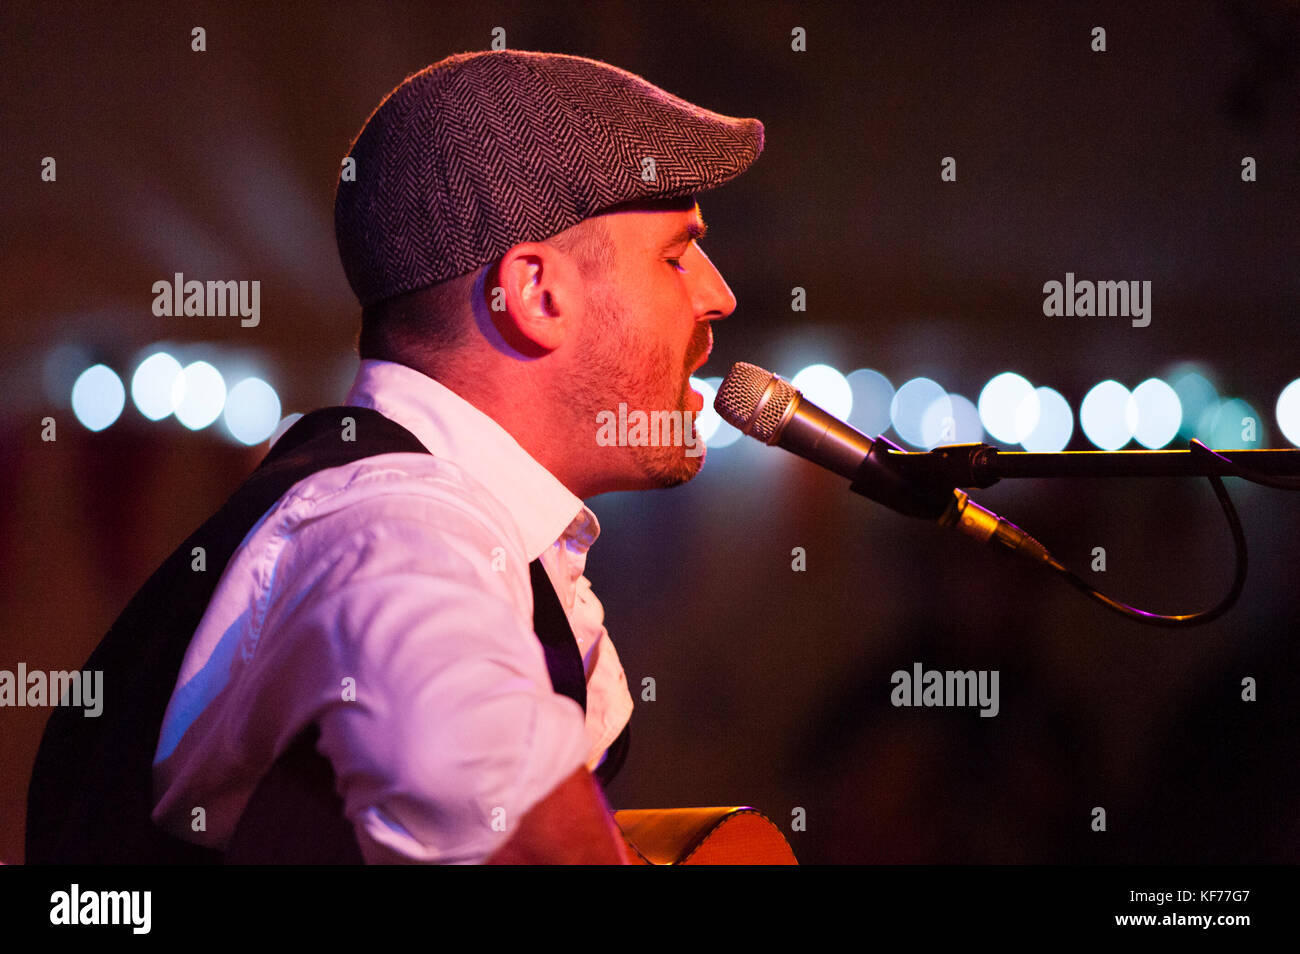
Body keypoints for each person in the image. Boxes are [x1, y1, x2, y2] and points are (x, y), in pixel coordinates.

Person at [28, 49, 764, 865]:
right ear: (536, 294)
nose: (719, 294)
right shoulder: (396, 521)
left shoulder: (441, 525)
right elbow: (505, 819)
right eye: (676, 253)